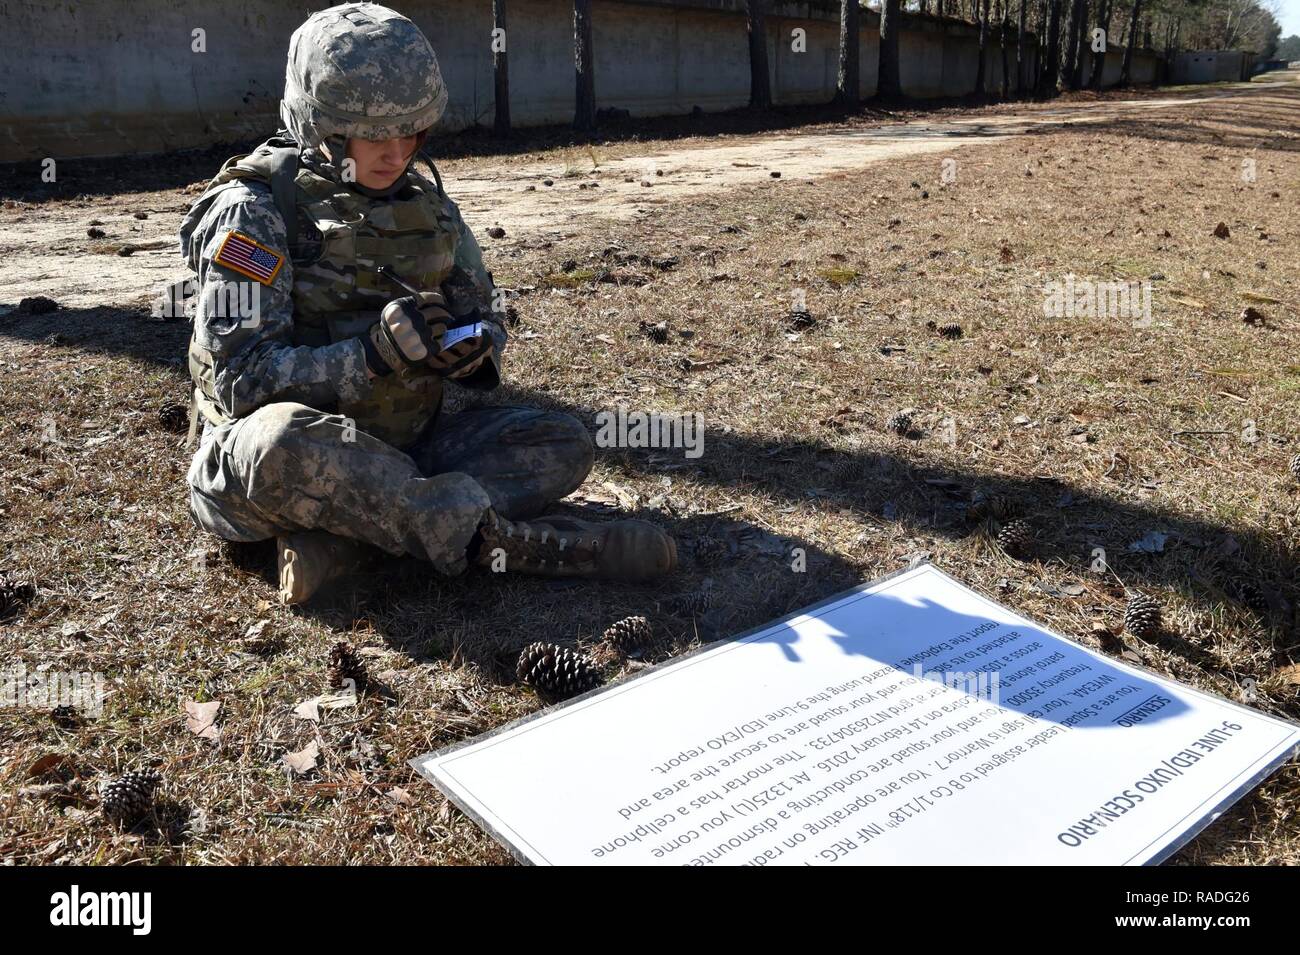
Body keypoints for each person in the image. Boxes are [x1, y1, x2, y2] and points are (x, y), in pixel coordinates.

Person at [179, 2, 676, 605]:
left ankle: (349, 542)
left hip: (405, 449)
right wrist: (370, 357)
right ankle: (508, 543)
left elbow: (480, 312)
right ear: (323, 128)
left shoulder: (428, 205)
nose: (397, 152)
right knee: (277, 441)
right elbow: (239, 383)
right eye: (375, 136)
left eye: (412, 132)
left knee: (561, 442)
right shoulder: (255, 213)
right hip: (266, 468)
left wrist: (470, 349)